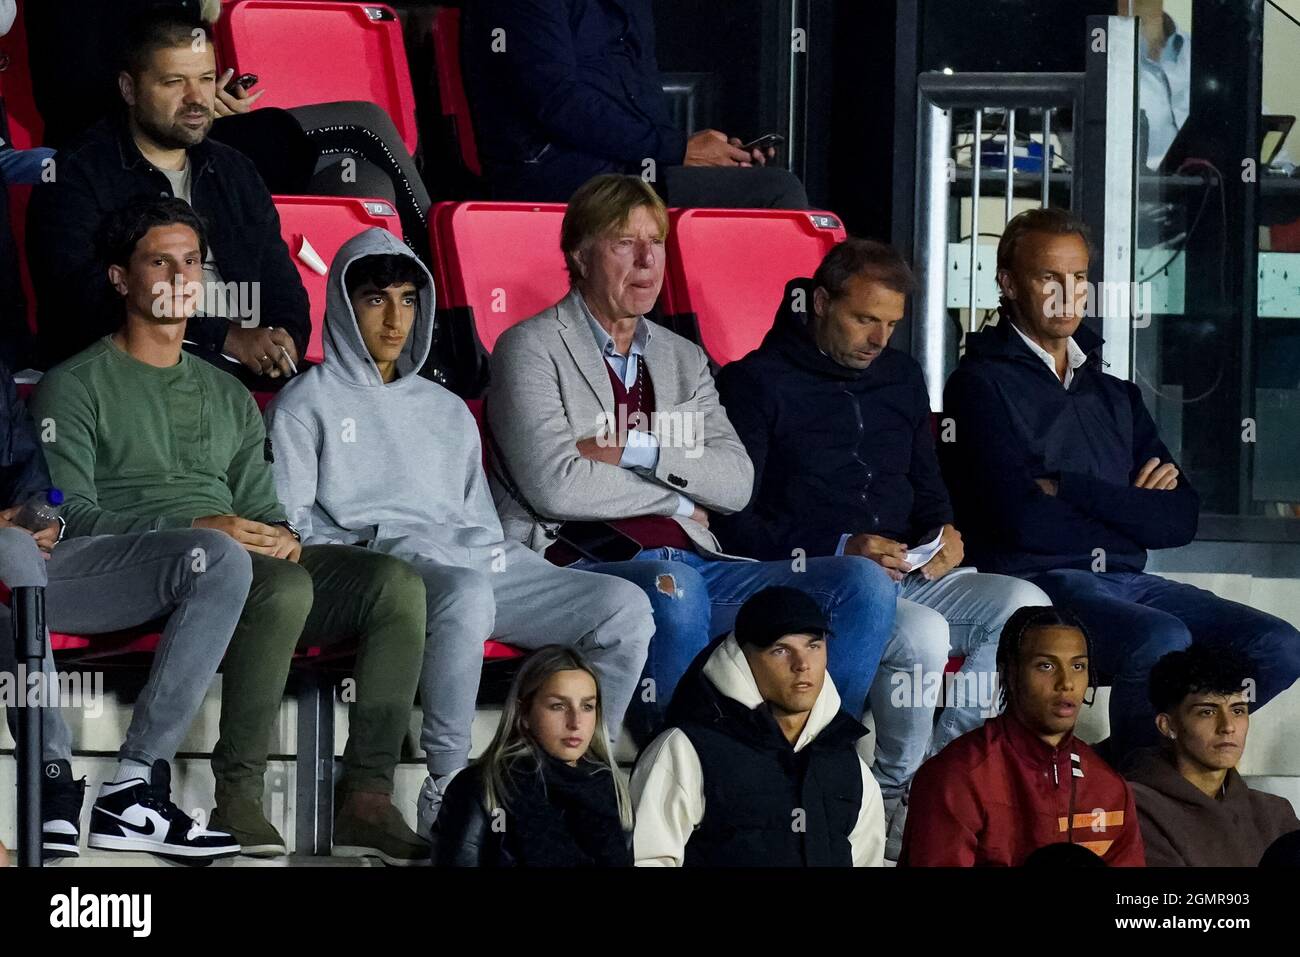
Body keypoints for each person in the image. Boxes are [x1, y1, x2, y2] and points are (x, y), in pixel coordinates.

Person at [31, 199, 430, 864]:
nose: (179, 275)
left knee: (392, 583)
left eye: (192, 261)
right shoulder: (73, 384)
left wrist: (281, 535)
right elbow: (68, 520)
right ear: (120, 278)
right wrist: (193, 526)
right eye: (159, 261)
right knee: (248, 569)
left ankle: (368, 798)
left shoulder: (228, 393)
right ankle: (225, 792)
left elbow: (260, 504)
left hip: (228, 555)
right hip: (130, 560)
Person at [265, 227, 654, 835]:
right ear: (343, 305)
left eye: (408, 300)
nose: (395, 319)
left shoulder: (446, 408)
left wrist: (498, 558)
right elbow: (293, 529)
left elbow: (478, 521)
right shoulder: (303, 402)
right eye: (375, 299)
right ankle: (447, 784)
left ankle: (578, 776)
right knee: (466, 594)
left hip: (482, 561)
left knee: (625, 606)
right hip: (391, 568)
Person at [486, 174, 897, 744]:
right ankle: (679, 767)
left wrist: (637, 449)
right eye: (625, 243)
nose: (647, 259)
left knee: (864, 584)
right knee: (675, 586)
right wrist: (681, 496)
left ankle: (813, 758)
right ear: (579, 255)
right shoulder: (529, 348)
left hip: (697, 560)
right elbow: (554, 486)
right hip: (578, 562)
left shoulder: (681, 357)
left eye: (656, 242)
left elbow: (734, 484)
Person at [714, 238, 1049, 852]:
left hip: (913, 566)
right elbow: (736, 519)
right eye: (865, 319)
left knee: (1027, 606)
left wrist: (944, 531)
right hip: (827, 580)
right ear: (820, 302)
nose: (878, 339)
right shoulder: (755, 383)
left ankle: (937, 781)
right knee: (922, 635)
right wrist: (842, 545)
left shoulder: (900, 375)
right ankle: (890, 794)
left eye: (891, 324)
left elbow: (927, 481)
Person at [940, 207, 1300, 759]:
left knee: (1279, 646)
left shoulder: (1116, 395)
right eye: (1048, 278)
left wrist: (1069, 487)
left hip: (1131, 581)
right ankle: (1139, 789)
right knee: (1160, 639)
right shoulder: (979, 383)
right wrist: (1130, 508)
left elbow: (1179, 519)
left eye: (1079, 278)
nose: (1068, 294)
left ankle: (1121, 767)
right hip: (1041, 584)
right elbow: (1018, 519)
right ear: (1009, 284)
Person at [0, 355, 250, 862]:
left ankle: (134, 789)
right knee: (13, 551)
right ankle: (51, 781)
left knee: (217, 558)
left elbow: (35, 484)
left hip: (34, 567)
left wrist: (42, 514)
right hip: (11, 567)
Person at [25, 13, 310, 384]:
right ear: (129, 89)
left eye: (206, 80)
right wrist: (223, 337)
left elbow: (279, 277)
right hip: (134, 374)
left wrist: (286, 336)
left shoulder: (234, 170)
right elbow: (83, 303)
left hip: (242, 369)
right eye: (174, 82)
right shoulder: (77, 173)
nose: (196, 99)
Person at [461, 0, 808, 208]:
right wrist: (675, 150)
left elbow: (642, 96)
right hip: (561, 173)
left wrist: (699, 157)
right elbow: (557, 101)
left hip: (629, 165)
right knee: (778, 192)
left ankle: (718, 329)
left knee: (759, 188)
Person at [630, 586, 885, 866]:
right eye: (780, 650)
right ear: (742, 658)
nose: (802, 664)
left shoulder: (850, 768)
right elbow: (645, 859)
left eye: (813, 646)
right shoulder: (684, 749)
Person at [901, 606, 1145, 867]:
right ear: (1009, 673)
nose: (1067, 682)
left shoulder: (1108, 786)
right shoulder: (958, 776)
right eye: (1046, 665)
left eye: (1078, 666)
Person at [433, 646, 633, 867]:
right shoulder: (480, 786)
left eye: (587, 706)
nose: (575, 722)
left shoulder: (606, 785)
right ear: (524, 713)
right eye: (558, 706)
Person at [1123, 644, 1300, 866]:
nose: (1227, 727)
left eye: (1238, 711)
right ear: (1167, 725)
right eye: (1207, 712)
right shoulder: (1135, 807)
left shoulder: (1274, 812)